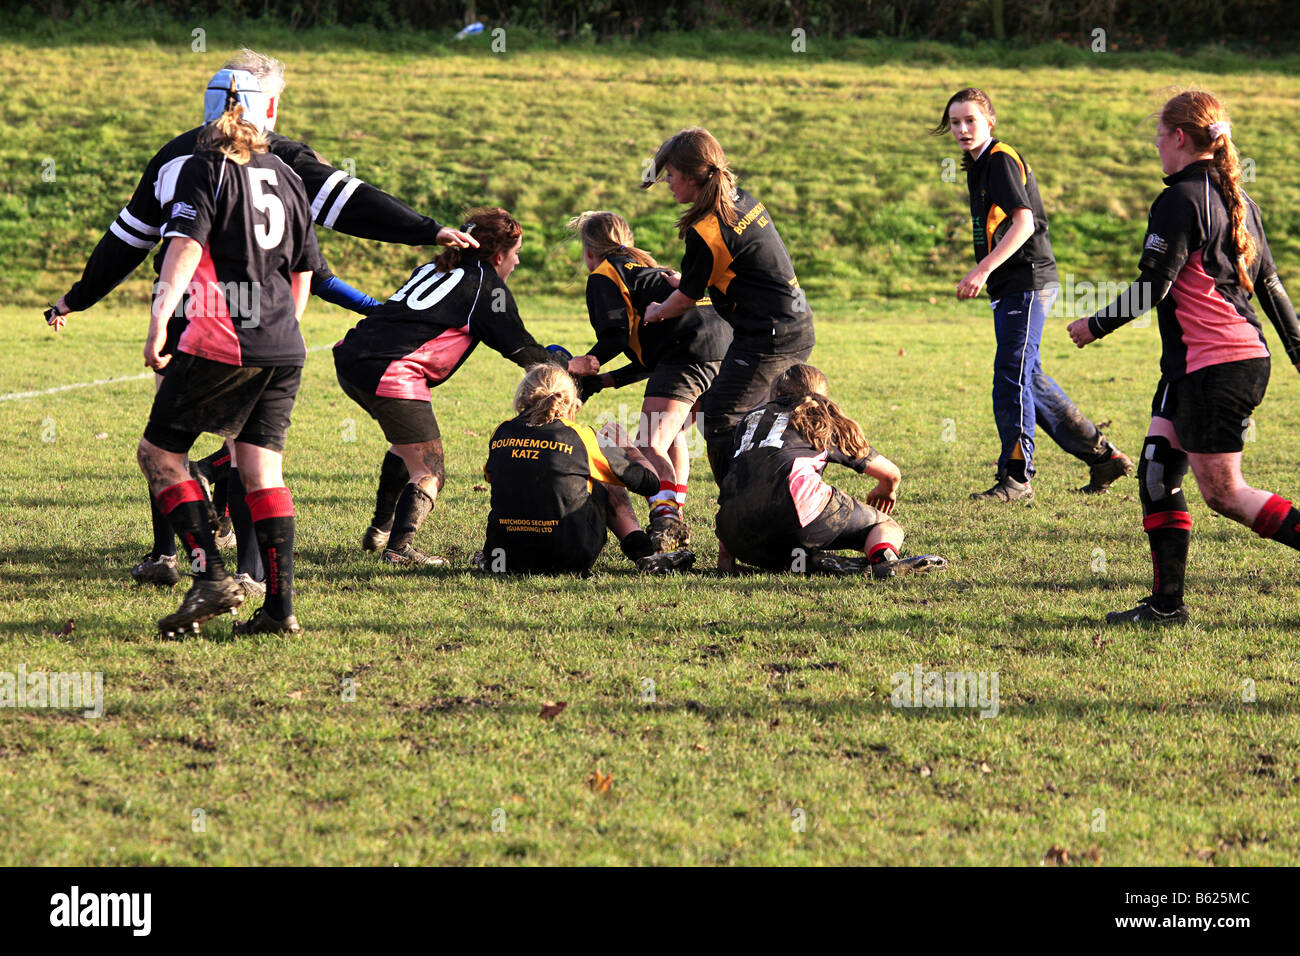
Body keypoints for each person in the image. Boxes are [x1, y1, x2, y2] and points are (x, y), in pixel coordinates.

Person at [44, 50, 475, 589]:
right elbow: (346, 209)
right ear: (265, 103)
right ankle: (256, 578)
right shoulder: (284, 162)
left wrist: (80, 299)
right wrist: (425, 229)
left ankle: (173, 557)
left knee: (166, 443)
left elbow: (127, 242)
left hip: (191, 313)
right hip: (264, 324)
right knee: (249, 456)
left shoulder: (179, 155)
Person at [1067, 90, 1300, 624]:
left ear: (1179, 138)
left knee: (1224, 493)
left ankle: (1168, 603)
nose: (1155, 144)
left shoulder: (1180, 199)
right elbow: (1271, 286)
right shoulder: (1237, 199)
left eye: (1159, 135)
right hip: (1200, 367)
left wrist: (1094, 324)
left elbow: (1153, 285)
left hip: (1216, 367)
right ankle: (1166, 605)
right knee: (1156, 472)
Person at [137, 77, 317, 637]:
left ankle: (209, 576)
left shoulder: (203, 167)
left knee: (160, 457)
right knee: (262, 471)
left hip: (223, 337)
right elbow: (305, 270)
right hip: (284, 342)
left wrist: (160, 319)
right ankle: (278, 610)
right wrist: (283, 328)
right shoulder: (288, 176)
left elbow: (186, 246)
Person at [334, 207, 597, 565]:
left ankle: (381, 530)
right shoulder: (486, 288)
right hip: (391, 371)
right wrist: (570, 366)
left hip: (351, 358)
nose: (517, 263)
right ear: (500, 255)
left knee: (406, 444)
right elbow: (522, 350)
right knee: (430, 469)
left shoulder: (432, 267)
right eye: (516, 253)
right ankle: (399, 550)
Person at [932, 88, 1132, 502]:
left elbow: (1024, 222)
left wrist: (982, 269)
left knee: (1011, 375)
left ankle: (1017, 477)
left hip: (1027, 281)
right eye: (955, 122)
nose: (962, 129)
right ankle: (1103, 457)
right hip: (1014, 286)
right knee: (1030, 378)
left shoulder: (1000, 158)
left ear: (990, 121)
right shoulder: (978, 165)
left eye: (970, 120)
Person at [640, 127, 815, 568]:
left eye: (672, 175)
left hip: (771, 337)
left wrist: (660, 309)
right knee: (747, 416)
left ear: (694, 178)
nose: (667, 183)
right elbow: (734, 269)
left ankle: (739, 525)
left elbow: (684, 299)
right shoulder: (742, 199)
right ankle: (770, 514)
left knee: (719, 417)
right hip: (786, 326)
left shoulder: (705, 229)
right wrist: (694, 283)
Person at [568, 210, 732, 551]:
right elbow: (651, 361)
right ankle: (674, 515)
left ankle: (666, 521)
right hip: (724, 345)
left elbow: (614, 338)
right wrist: (601, 382)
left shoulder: (604, 274)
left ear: (588, 251)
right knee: (672, 438)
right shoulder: (649, 270)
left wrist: (585, 364)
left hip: (686, 350)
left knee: (647, 444)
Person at [716, 365, 946, 578]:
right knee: (884, 526)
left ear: (775, 393)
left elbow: (735, 483)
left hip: (738, 536)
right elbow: (891, 473)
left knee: (789, 543)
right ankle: (883, 560)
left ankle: (813, 562)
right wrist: (887, 490)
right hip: (795, 516)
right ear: (822, 396)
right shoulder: (817, 418)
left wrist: (726, 561)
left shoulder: (749, 420)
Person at [476, 365, 695, 575]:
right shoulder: (582, 436)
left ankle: (496, 553)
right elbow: (650, 482)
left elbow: (492, 476)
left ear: (523, 397)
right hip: (568, 557)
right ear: (571, 402)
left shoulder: (501, 431)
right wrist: (628, 446)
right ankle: (644, 554)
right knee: (602, 477)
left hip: (502, 558)